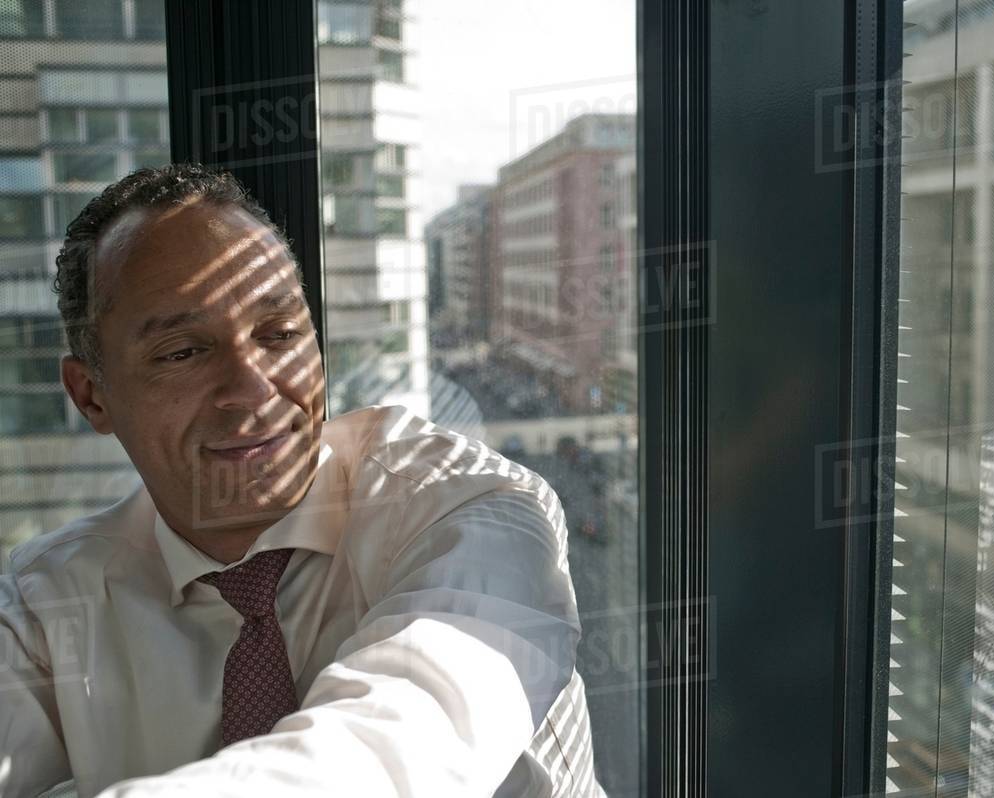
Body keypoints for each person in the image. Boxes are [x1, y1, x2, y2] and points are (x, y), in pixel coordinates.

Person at [0, 164, 604, 797]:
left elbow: (403, 741)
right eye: (182, 352)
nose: (254, 389)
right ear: (91, 396)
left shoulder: (467, 506)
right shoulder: (46, 608)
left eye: (279, 333)